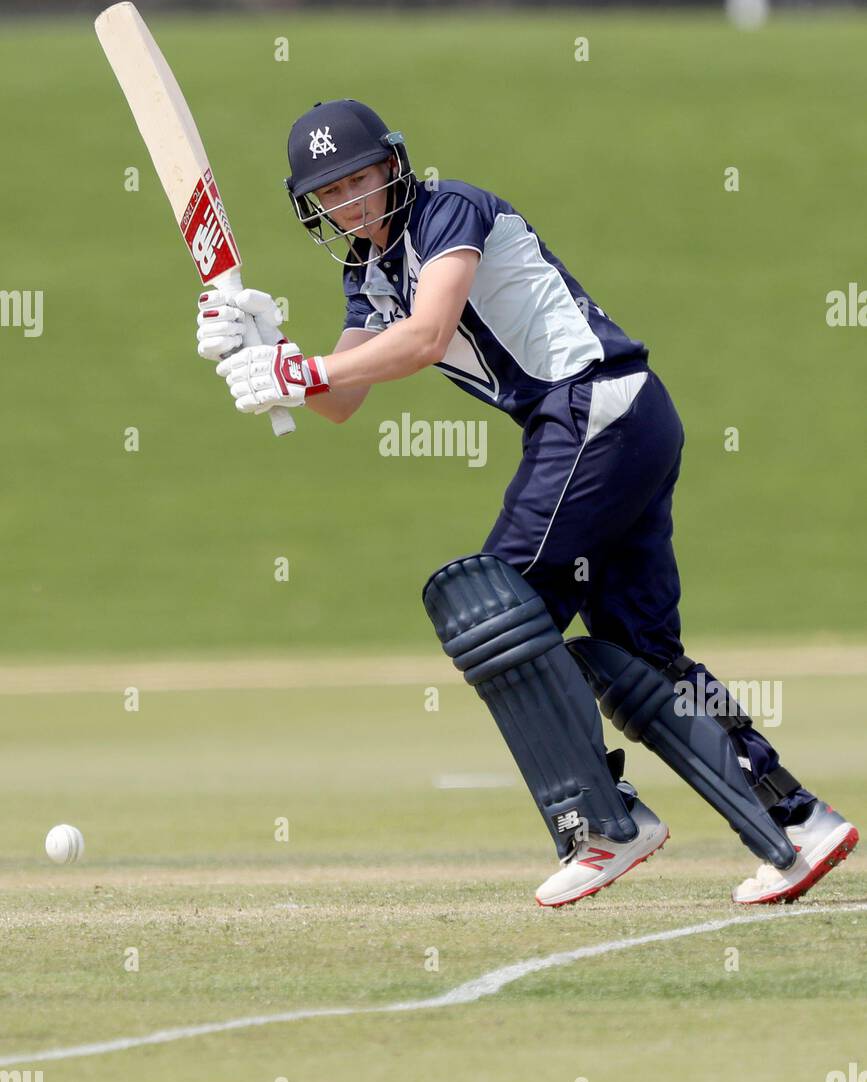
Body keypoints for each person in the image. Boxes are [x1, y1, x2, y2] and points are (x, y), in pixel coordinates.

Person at [196, 99, 858, 908]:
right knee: (639, 651)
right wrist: (265, 346)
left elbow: (426, 336)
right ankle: (794, 818)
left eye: (359, 180)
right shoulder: (367, 273)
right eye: (329, 193)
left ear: (394, 168)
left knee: (492, 613)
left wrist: (300, 372)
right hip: (619, 421)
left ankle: (603, 823)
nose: (349, 203)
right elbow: (340, 400)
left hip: (592, 410)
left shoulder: (450, 211)